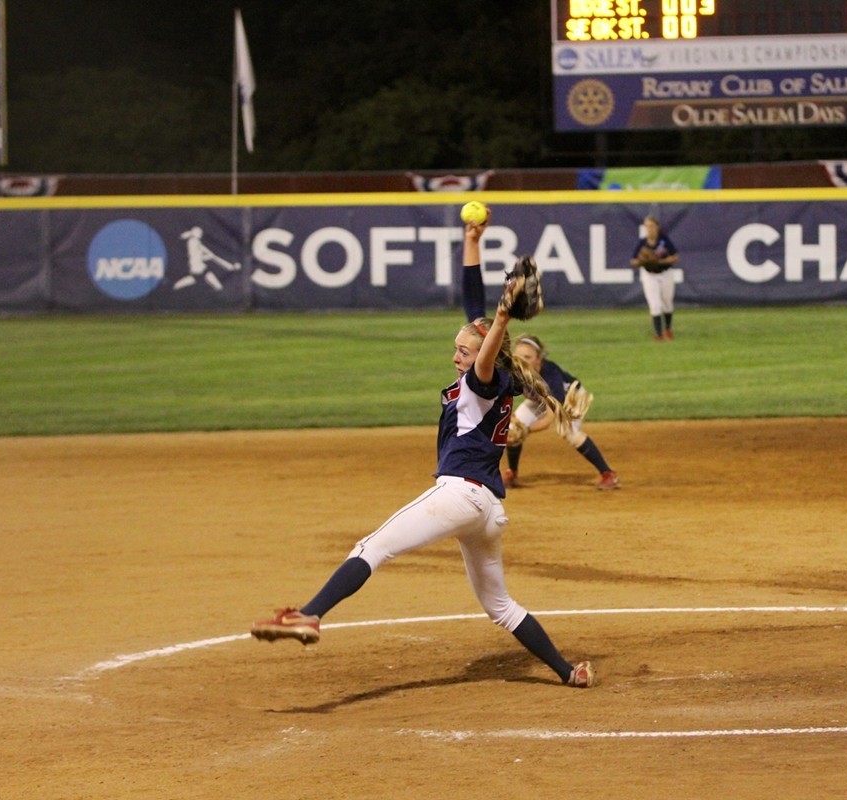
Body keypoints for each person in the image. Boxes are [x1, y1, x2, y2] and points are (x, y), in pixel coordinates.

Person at [250, 208, 595, 689]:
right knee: (500, 606)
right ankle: (568, 671)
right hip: (488, 510)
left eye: (463, 350)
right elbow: (471, 300)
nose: (456, 355)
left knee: (372, 548)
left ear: (485, 356)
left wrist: (499, 317)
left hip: (459, 495)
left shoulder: (483, 379)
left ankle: (309, 615)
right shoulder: (487, 374)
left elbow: (487, 338)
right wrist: (471, 239)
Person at [502, 334, 619, 491]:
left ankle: (608, 474)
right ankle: (512, 473)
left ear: (539, 358)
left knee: (568, 431)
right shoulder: (514, 371)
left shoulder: (550, 375)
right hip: (541, 399)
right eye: (518, 356)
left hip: (571, 397)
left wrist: (527, 429)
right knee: (512, 428)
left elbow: (551, 416)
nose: (522, 360)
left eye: (528, 357)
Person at [630, 214, 680, 341]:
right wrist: (642, 261)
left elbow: (675, 256)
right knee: (655, 304)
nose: (649, 229)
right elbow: (633, 260)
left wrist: (659, 261)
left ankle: (668, 328)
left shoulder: (663, 240)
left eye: (651, 226)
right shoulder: (643, 242)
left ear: (657, 227)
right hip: (649, 275)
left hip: (665, 273)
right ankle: (658, 334)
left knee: (667, 302)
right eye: (647, 226)